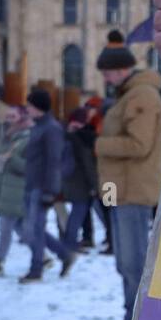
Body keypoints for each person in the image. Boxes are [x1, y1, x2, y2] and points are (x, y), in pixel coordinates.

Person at [94, 46, 161, 320]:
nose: (106, 79)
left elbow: (139, 145)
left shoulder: (142, 96)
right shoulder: (128, 95)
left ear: (122, 69)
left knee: (133, 263)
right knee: (125, 262)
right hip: (121, 190)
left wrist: (98, 143)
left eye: (108, 72)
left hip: (133, 191)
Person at [21, 87, 76, 283]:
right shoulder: (38, 126)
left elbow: (54, 161)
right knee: (33, 229)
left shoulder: (51, 128)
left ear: (38, 107)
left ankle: (36, 269)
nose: (27, 109)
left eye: (29, 105)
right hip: (31, 184)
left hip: (41, 187)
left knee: (34, 229)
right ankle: (64, 255)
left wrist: (50, 191)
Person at [0, 105, 33, 276]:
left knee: (5, 227)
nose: (9, 119)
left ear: (22, 117)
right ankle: (47, 255)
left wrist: (12, 159)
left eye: (13, 116)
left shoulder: (28, 136)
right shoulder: (5, 135)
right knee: (20, 228)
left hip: (19, 189)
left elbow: (29, 168)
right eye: (8, 116)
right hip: (5, 188)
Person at [62, 106, 104, 251]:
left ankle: (88, 238)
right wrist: (95, 186)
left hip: (91, 181)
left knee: (90, 211)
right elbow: (88, 163)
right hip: (97, 181)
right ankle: (81, 239)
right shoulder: (86, 135)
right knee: (108, 210)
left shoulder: (68, 134)